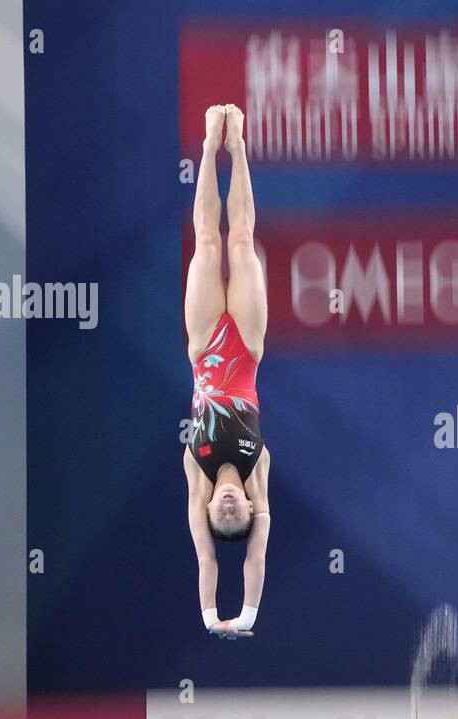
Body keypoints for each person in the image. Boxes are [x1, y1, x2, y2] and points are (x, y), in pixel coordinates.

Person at [183, 104, 270, 638]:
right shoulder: (260, 471)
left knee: (207, 243)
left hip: (203, 346)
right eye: (242, 515)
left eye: (224, 517)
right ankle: (237, 149)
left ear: (210, 508)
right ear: (252, 506)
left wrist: (214, 618)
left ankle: (207, 146)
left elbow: (209, 563)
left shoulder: (197, 473)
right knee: (240, 239)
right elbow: (251, 561)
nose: (232, 508)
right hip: (248, 345)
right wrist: (249, 615)